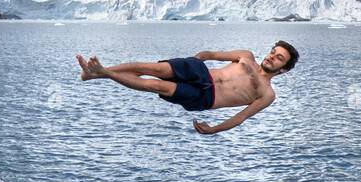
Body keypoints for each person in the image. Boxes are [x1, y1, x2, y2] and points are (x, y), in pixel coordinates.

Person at [76, 42, 297, 134]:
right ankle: (95, 74)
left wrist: (213, 129)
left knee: (157, 86)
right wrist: (193, 60)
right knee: (152, 68)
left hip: (206, 97)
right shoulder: (246, 56)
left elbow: (241, 117)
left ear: (283, 69)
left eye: (279, 58)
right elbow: (211, 55)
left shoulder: (267, 94)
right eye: (272, 52)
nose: (271, 57)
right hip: (202, 72)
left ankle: (103, 72)